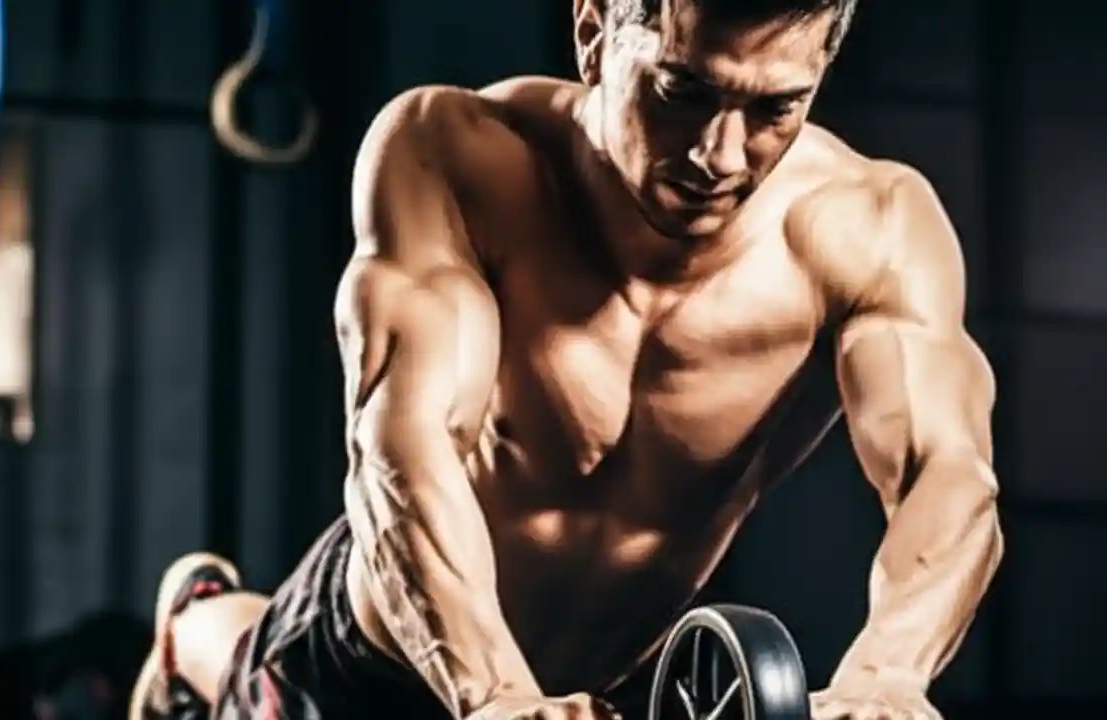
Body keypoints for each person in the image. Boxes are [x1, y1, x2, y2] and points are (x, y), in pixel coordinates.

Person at [131, 0, 1004, 718]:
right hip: (382, 658)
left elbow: (948, 476)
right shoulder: (458, 154)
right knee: (246, 664)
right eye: (681, 90)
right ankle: (195, 623)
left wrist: (889, 671)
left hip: (602, 688)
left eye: (774, 108)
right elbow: (404, 448)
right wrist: (494, 689)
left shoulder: (870, 229)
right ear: (592, 33)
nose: (719, 155)